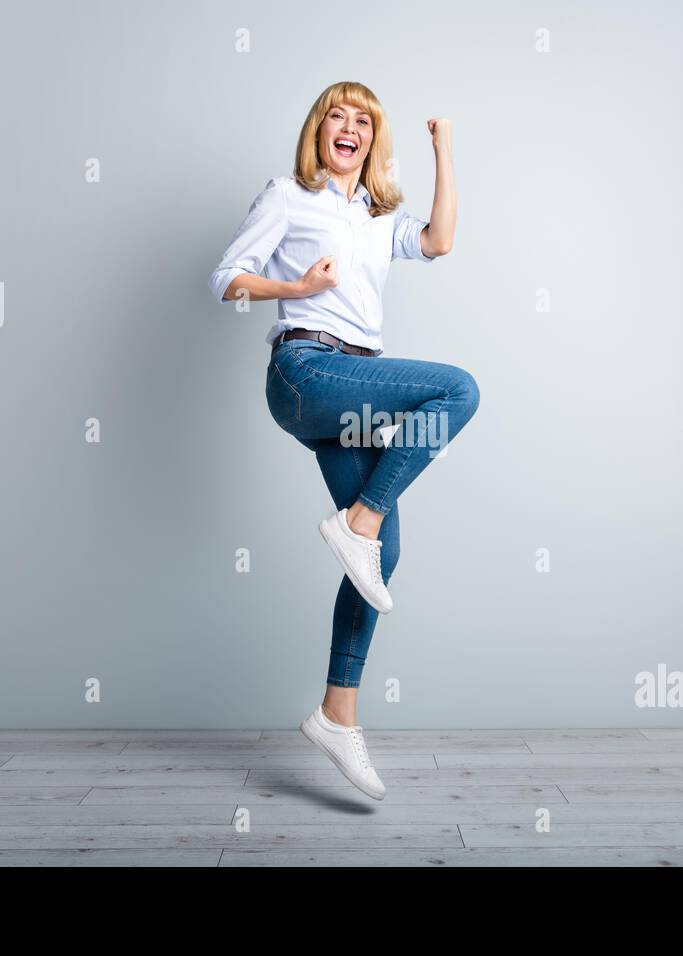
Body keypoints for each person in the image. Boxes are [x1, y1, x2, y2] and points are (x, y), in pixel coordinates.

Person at [208, 81, 479, 800]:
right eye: (339, 115)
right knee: (457, 389)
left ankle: (337, 715)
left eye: (364, 120)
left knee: (381, 558)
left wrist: (443, 146)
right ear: (319, 128)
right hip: (304, 370)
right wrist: (293, 286)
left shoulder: (376, 217)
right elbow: (224, 279)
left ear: (372, 139)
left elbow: (440, 240)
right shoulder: (287, 195)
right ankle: (356, 521)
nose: (349, 127)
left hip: (351, 385)